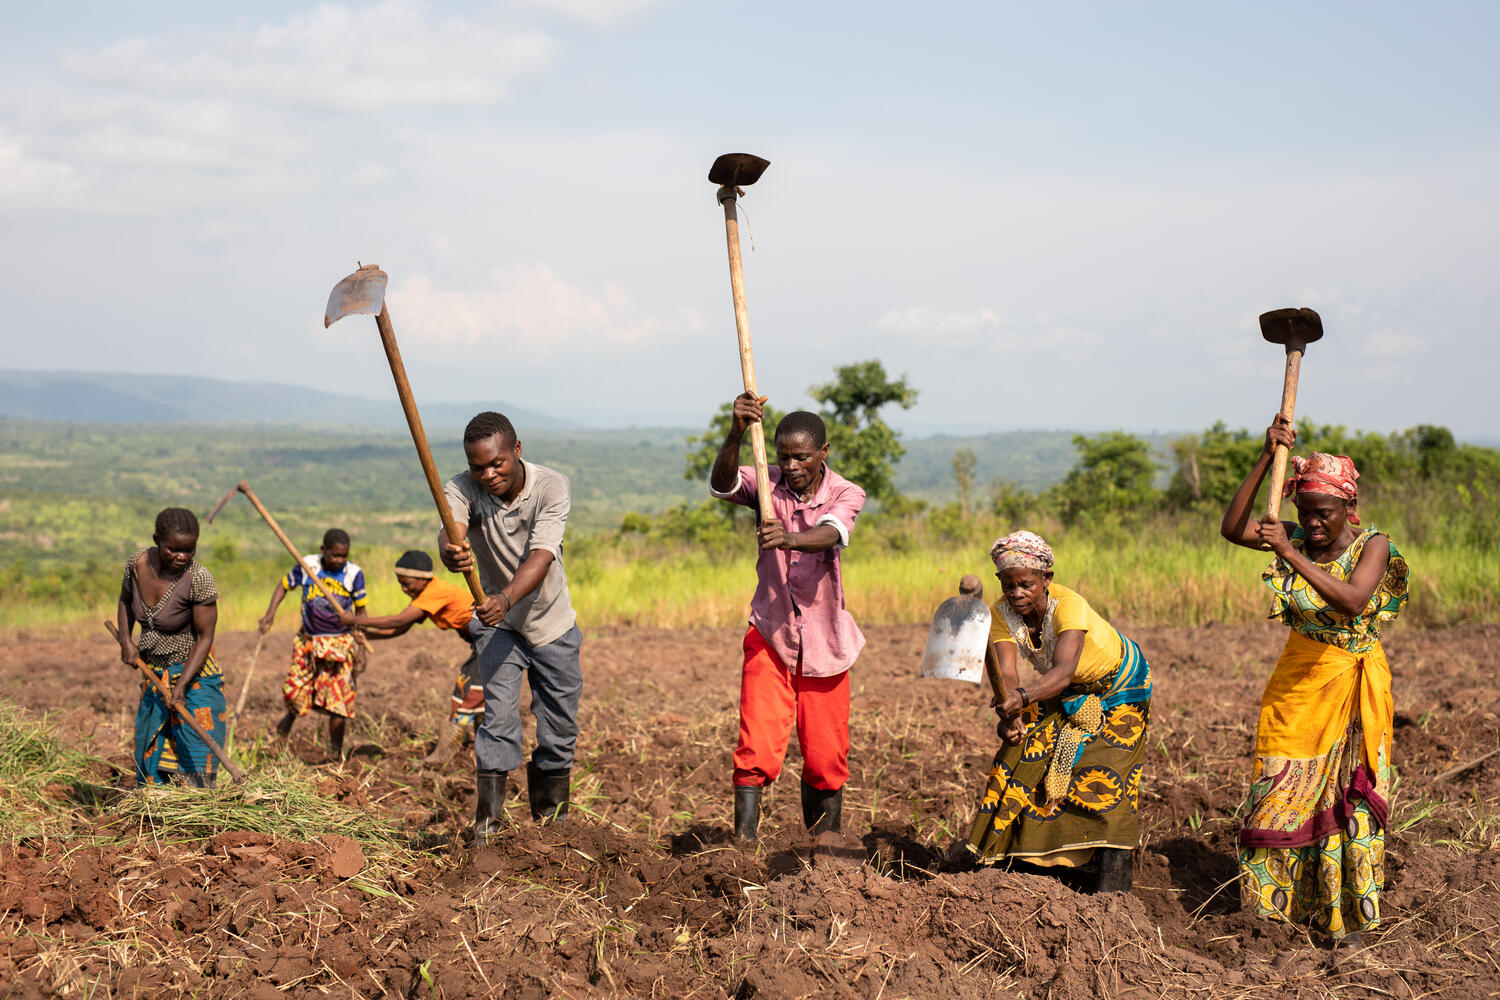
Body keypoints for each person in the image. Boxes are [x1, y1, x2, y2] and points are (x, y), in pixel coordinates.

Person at [1220, 415, 1408, 949]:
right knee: (1276, 792)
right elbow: (1232, 528)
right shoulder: (1297, 536)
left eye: (1323, 513)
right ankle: (1272, 918)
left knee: (1346, 801)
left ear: (1349, 506)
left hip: (1353, 687)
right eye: (1304, 512)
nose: (1313, 522)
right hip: (1297, 687)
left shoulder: (1373, 544)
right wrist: (1266, 456)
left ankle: (1345, 917)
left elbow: (1353, 600)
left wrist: (1288, 551)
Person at [709, 393, 867, 843]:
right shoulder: (765, 480)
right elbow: (721, 484)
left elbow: (831, 534)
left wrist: (789, 538)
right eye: (784, 456)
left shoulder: (846, 492)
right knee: (756, 745)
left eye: (802, 457)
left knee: (826, 756)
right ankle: (743, 847)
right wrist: (737, 429)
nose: (792, 466)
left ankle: (826, 853)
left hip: (826, 642)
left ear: (823, 452)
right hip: (770, 633)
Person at [963, 530, 1153, 892]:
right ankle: (1022, 863)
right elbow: (1007, 675)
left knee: (1107, 774)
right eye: (1008, 585)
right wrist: (1011, 716)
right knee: (1023, 751)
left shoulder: (1069, 605)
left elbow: (1064, 671)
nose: (1016, 593)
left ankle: (1112, 888)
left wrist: (1022, 697)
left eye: (1026, 584)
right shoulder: (1000, 615)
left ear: (1046, 579)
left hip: (1120, 684)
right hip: (1060, 688)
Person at [440, 411, 583, 843]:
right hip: (496, 625)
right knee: (497, 721)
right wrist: (450, 552)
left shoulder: (551, 486)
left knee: (558, 728)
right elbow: (450, 532)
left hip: (550, 624)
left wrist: (505, 599)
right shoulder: (461, 487)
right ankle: (488, 830)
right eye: (477, 466)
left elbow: (542, 557)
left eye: (496, 463)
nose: (487, 475)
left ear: (517, 450)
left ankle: (551, 831)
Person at [115, 507, 225, 787]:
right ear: (157, 540)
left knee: (196, 752)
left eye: (189, 550)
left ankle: (200, 807)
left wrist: (182, 685)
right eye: (173, 549)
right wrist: (126, 640)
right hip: (153, 672)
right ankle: (156, 807)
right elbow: (125, 600)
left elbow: (205, 637)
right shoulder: (137, 564)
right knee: (151, 749)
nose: (182, 557)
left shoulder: (199, 579)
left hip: (194, 674)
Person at [336, 549, 478, 766]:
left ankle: (445, 754)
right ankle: (476, 744)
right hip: (479, 643)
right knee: (476, 690)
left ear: (423, 579)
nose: (404, 589)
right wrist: (369, 635)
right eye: (400, 584)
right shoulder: (426, 595)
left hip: (488, 640)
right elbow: (401, 628)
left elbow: (398, 620)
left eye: (407, 584)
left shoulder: (435, 591)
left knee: (467, 689)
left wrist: (355, 620)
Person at [259, 528, 368, 759]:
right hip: (309, 642)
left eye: (344, 555)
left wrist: (362, 649)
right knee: (295, 691)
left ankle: (335, 754)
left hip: (340, 644)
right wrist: (270, 614)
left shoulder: (354, 574)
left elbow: (361, 612)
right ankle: (284, 728)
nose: (339, 560)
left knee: (339, 701)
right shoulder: (308, 565)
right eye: (335, 555)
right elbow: (283, 586)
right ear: (323, 550)